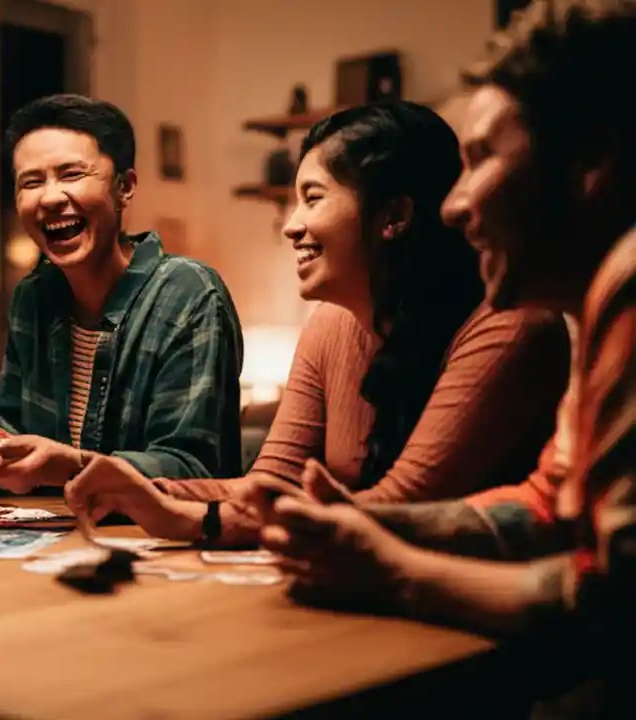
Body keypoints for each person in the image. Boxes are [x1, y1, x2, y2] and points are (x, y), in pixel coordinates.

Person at [253, 3, 635, 714]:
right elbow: (545, 506)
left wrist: (394, 571)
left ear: (591, 166)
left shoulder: (628, 288)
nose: (455, 206)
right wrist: (374, 525)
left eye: (484, 159)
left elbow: (614, 609)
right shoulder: (595, 305)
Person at [64, 102, 570, 545]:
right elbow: (268, 484)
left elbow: (397, 508)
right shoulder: (330, 324)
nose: (291, 224)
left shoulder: (507, 328)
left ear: (393, 215)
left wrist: (190, 519)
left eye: (313, 197)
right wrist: (134, 489)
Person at [0, 94, 245, 492]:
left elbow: (193, 466)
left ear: (124, 187)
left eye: (71, 174)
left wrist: (71, 466)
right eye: (31, 182)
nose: (50, 197)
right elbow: (16, 434)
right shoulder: (34, 296)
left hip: (161, 544)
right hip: (54, 534)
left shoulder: (188, 294)